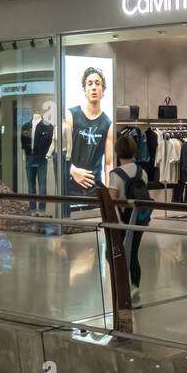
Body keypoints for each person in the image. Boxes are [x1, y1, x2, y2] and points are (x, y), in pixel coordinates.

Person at [110, 134, 152, 303]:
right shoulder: (142, 172)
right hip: (140, 220)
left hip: (122, 223)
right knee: (133, 255)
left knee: (113, 255)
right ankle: (134, 290)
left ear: (117, 152)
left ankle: (127, 292)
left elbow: (111, 201)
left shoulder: (116, 174)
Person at [63, 67, 114, 197]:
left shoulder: (108, 124)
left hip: (95, 189)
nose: (93, 87)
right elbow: (60, 152)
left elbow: (108, 164)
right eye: (89, 83)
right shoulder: (71, 116)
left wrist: (109, 195)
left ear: (103, 90)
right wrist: (72, 170)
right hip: (71, 186)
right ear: (85, 90)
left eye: (97, 83)